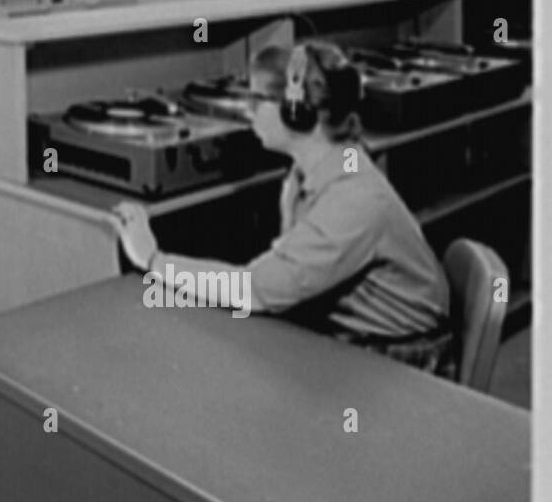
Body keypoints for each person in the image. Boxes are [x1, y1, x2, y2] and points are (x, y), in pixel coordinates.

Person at [110, 41, 457, 377]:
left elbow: (253, 291)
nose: (246, 110)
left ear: (297, 112)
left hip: (404, 360)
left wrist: (153, 260)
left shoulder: (355, 198)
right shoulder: (317, 166)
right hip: (355, 334)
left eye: (257, 98)